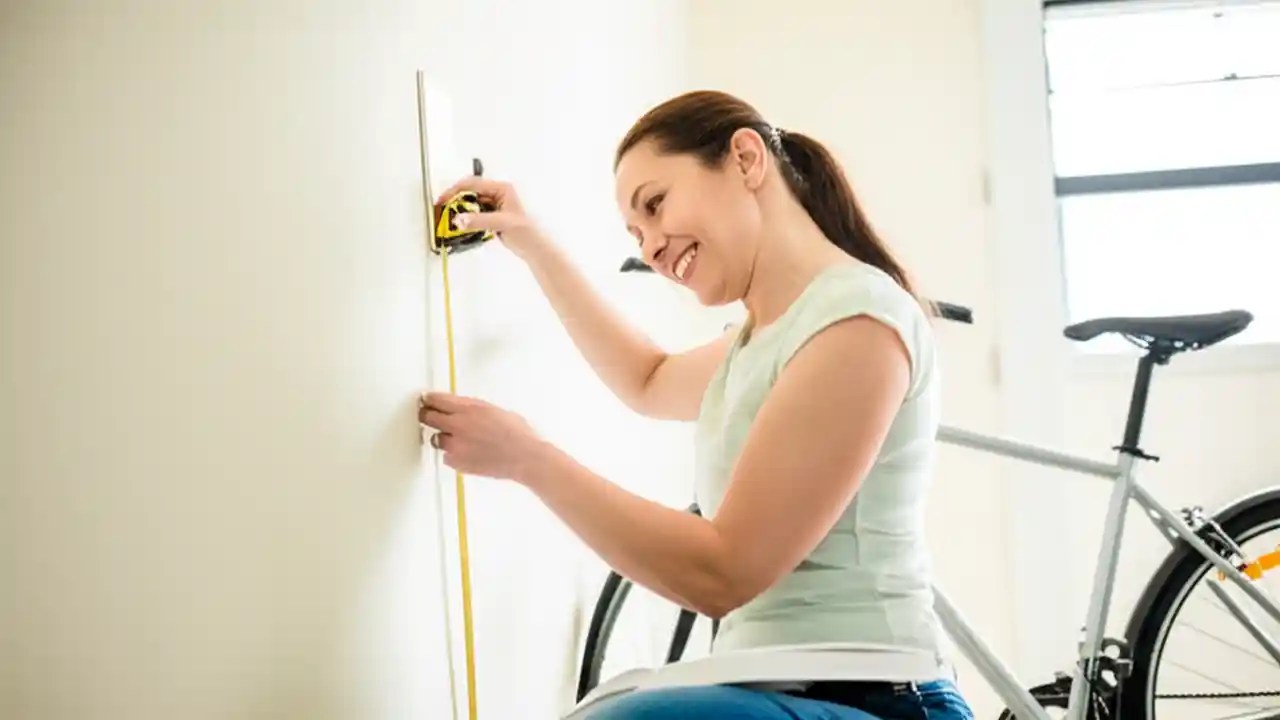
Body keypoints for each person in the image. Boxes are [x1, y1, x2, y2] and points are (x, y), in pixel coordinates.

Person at [418, 89, 975, 720]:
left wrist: (530, 461)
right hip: (772, 686)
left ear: (744, 158)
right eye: (637, 233)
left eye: (655, 205)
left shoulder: (856, 322)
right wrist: (532, 243)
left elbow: (723, 571)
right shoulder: (763, 337)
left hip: (878, 700)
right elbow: (648, 379)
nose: (652, 247)